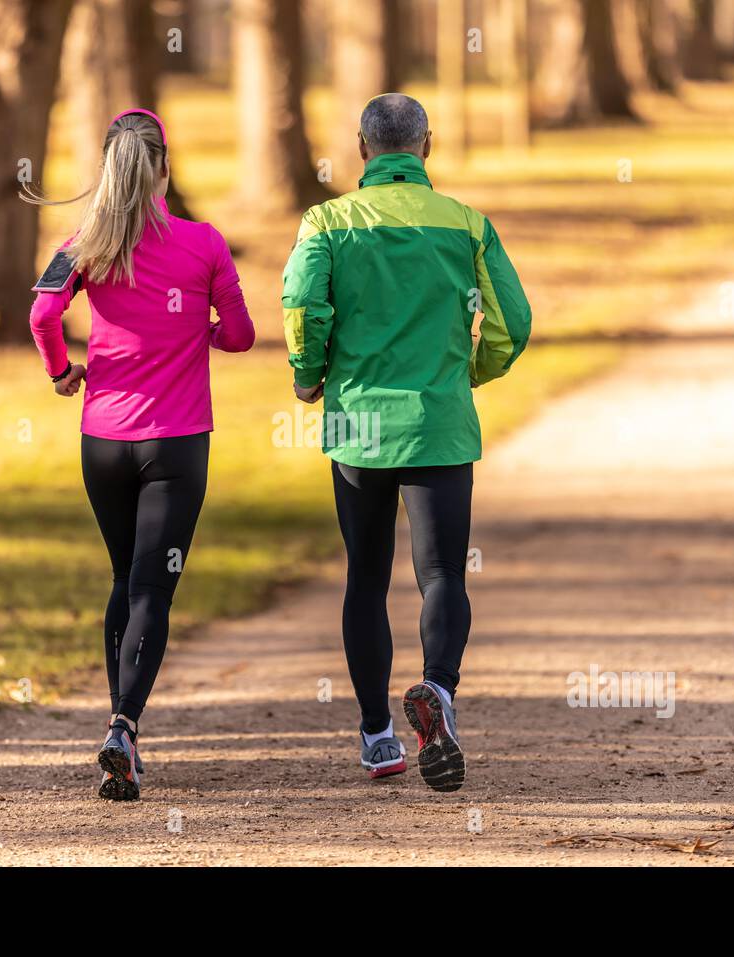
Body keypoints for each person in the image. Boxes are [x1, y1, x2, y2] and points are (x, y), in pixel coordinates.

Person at [281, 94, 531, 792]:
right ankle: (438, 690)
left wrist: (308, 377)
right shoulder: (466, 223)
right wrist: (467, 374)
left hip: (357, 422)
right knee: (443, 572)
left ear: (363, 149)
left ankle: (377, 736)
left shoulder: (326, 222)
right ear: (429, 146)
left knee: (366, 575)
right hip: (437, 420)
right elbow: (514, 319)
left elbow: (303, 303)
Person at [27, 109, 255, 801]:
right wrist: (204, 334)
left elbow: (41, 314)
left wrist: (61, 371)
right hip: (175, 445)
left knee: (125, 578)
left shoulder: (83, 242)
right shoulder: (204, 242)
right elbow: (241, 335)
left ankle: (119, 731)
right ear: (164, 167)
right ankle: (125, 723)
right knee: (153, 588)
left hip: (103, 442)